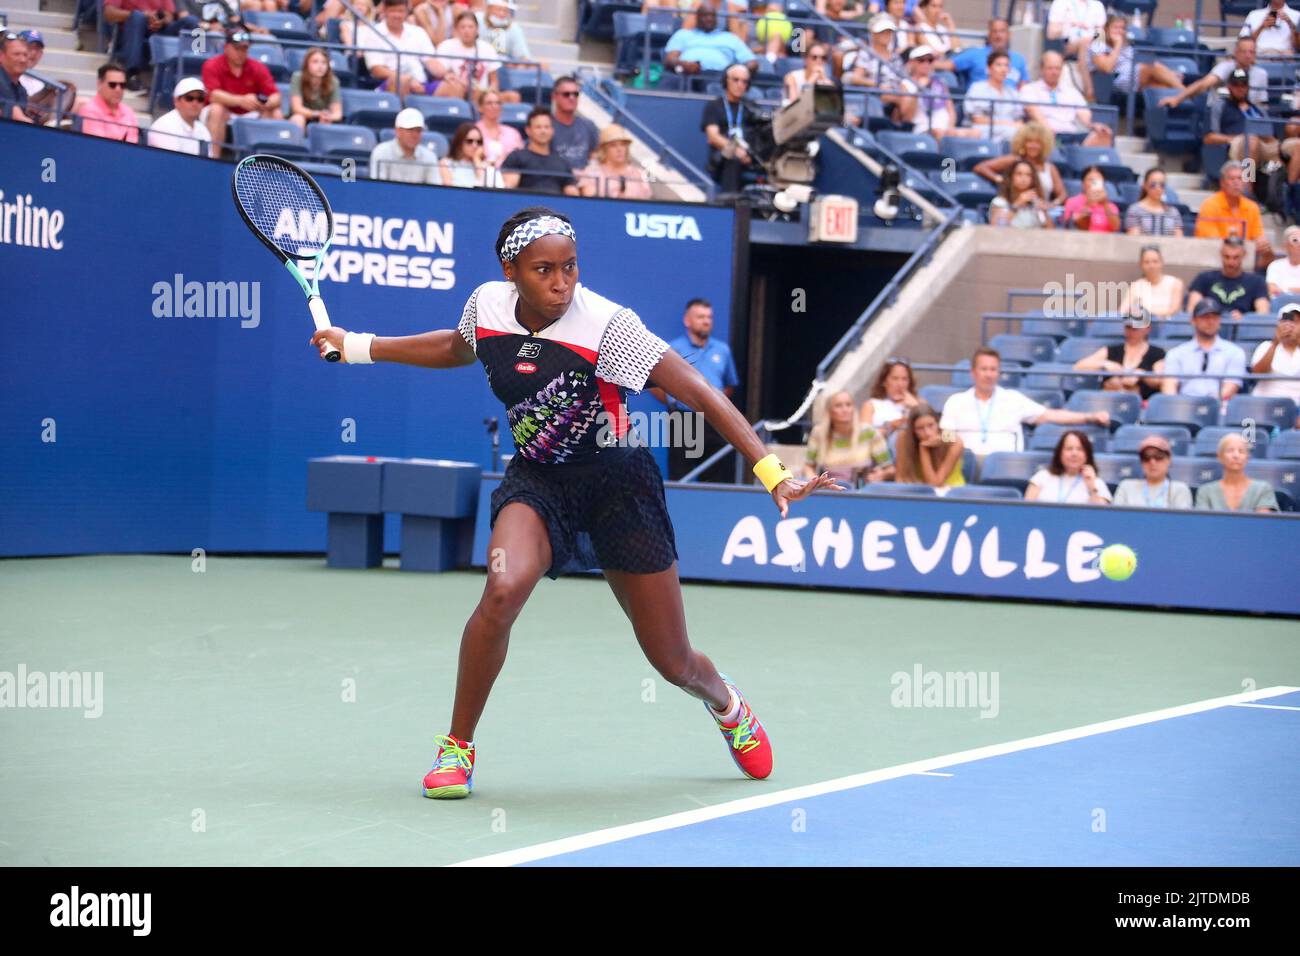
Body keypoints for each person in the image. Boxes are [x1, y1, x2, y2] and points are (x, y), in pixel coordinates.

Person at [308, 206, 842, 796]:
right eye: (544, 270)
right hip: (538, 480)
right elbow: (456, 349)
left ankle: (727, 704)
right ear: (510, 269)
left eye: (570, 267)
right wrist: (359, 346)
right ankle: (457, 747)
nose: (562, 283)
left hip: (619, 487)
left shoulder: (609, 326)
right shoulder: (485, 304)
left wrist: (772, 471)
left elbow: (700, 391)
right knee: (504, 587)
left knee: (672, 661)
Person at [939, 347, 1111, 456]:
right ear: (973, 372)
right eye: (984, 369)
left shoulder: (1012, 399)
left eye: (993, 369)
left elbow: (1050, 415)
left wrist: (1090, 417)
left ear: (999, 373)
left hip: (1005, 465)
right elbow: (946, 435)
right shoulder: (956, 402)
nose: (989, 374)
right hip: (963, 461)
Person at [648, 298, 741, 481]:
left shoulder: (722, 350)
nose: (706, 321)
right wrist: (674, 402)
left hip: (715, 420)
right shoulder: (672, 349)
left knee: (718, 474)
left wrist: (714, 403)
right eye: (700, 317)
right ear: (687, 321)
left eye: (709, 317)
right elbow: (654, 384)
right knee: (681, 474)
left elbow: (730, 384)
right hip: (683, 420)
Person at [1203, 68, 1300, 197]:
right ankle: (1248, 190)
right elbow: (1209, 137)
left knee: (1297, 145)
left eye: (1243, 85)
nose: (1240, 88)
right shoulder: (1220, 106)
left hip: (1264, 143)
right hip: (1238, 143)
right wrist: (1234, 137)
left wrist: (1271, 139)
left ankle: (1289, 192)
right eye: (1236, 85)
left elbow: (1270, 135)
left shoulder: (1257, 109)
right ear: (1229, 86)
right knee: (1251, 139)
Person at [201, 28, 280, 151]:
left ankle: (266, 162)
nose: (241, 53)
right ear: (226, 47)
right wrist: (241, 100)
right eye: (237, 48)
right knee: (217, 109)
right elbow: (212, 95)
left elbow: (276, 96)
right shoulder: (212, 64)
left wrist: (264, 104)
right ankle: (212, 158)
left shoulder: (257, 67)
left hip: (249, 113)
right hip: (224, 112)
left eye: (244, 49)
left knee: (276, 112)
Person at [1020, 50, 1113, 149]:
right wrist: (1048, 130)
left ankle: (1082, 160)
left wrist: (1093, 125)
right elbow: (1033, 112)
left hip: (1070, 135)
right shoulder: (1029, 89)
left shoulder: (1071, 92)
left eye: (1058, 68)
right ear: (1042, 69)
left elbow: (1084, 113)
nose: (1054, 72)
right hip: (1044, 135)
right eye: (1050, 68)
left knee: (1104, 135)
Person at [102, 0, 199, 92]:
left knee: (192, 21)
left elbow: (169, 15)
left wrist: (162, 21)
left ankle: (193, 72)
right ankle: (131, 73)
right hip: (131, 31)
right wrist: (142, 15)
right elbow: (109, 13)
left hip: (158, 30)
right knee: (137, 16)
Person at [1161, 299, 1248, 400]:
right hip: (1184, 409)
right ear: (1193, 321)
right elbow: (1169, 387)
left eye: (1215, 317)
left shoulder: (1235, 352)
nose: (1210, 321)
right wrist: (1178, 407)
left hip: (1220, 409)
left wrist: (1207, 405)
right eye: (1205, 317)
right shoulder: (1176, 353)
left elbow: (1231, 387)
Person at [802, 390, 893, 485]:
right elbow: (809, 466)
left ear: (854, 408)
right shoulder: (819, 433)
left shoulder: (869, 432)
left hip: (861, 491)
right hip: (829, 490)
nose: (845, 409)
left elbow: (890, 469)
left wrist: (881, 475)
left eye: (848, 405)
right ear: (830, 411)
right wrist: (813, 481)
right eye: (838, 406)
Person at [1195, 162, 1272, 267]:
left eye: (1240, 178)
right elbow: (1213, 243)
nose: (1236, 183)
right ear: (1222, 182)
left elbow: (1258, 237)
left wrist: (1263, 245)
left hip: (1243, 261)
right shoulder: (1210, 205)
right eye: (1231, 179)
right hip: (1214, 261)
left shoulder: (1252, 207)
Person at [1158, 37, 1268, 111]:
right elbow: (1203, 84)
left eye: (1251, 52)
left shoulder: (1261, 74)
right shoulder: (1225, 67)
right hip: (1221, 114)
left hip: (1247, 114)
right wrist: (1177, 99)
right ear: (1236, 53)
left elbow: (1261, 104)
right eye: (1244, 51)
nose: (1248, 55)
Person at [1073, 311, 1166, 398]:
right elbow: (1079, 366)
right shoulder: (1111, 350)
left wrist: (1141, 374)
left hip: (1141, 402)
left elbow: (1159, 381)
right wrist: (1105, 364)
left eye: (1135, 328)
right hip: (1110, 400)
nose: (1130, 332)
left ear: (1147, 329)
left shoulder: (1157, 353)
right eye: (1128, 327)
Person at [1090, 14, 1186, 99]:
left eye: (1122, 28)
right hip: (1115, 81)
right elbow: (1106, 68)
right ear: (1106, 28)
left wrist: (1168, 74)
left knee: (1162, 86)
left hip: (1135, 76)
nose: (1120, 31)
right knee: (1152, 67)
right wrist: (1117, 45)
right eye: (1115, 27)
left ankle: (1179, 104)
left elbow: (1137, 60)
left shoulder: (1125, 43)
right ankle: (1187, 92)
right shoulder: (1098, 40)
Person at [358, 0, 440, 96]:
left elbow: (430, 60)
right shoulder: (374, 33)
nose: (397, 15)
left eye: (401, 11)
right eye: (393, 11)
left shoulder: (418, 32)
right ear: (384, 11)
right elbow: (376, 70)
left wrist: (446, 74)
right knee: (402, 81)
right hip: (388, 83)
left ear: (406, 12)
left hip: (421, 83)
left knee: (454, 84)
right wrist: (407, 79)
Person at [974, 122, 1067, 206]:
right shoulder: (1013, 160)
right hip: (1015, 208)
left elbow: (1062, 194)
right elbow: (980, 167)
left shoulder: (1050, 167)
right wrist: (999, 179)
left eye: (1038, 142)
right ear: (1022, 142)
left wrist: (1052, 205)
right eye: (1029, 142)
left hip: (1040, 211)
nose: (1033, 146)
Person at [701, 63, 757, 195]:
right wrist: (736, 150)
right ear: (726, 81)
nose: (740, 85)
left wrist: (749, 153)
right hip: (723, 156)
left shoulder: (751, 107)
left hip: (749, 155)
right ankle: (729, 204)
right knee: (731, 158)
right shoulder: (714, 106)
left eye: (744, 81)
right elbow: (713, 137)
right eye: (736, 80)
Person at [1186, 236, 1270, 321]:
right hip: (1209, 325)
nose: (1231, 262)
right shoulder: (1204, 278)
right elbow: (1192, 311)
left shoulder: (1257, 282)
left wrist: (1244, 319)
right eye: (1227, 257)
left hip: (1242, 329)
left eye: (1236, 257)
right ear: (1221, 254)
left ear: (1244, 255)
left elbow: (1262, 314)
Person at [663, 4, 758, 78]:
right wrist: (683, 64)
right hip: (686, 75)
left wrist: (736, 72)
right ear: (697, 17)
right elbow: (670, 59)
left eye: (712, 16)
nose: (709, 19)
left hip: (721, 79)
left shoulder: (730, 38)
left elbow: (752, 63)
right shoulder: (683, 34)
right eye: (705, 15)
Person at [500, 106, 580, 195]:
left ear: (552, 130)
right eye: (538, 127)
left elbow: (572, 193)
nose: (543, 131)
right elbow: (507, 188)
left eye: (547, 127)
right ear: (528, 130)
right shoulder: (516, 157)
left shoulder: (562, 163)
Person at [1195, 433, 1280, 511]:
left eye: (1241, 451)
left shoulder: (1262, 489)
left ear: (1247, 457)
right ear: (1220, 456)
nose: (1236, 456)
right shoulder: (1205, 491)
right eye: (1230, 451)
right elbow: (1204, 523)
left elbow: (1263, 524)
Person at [433, 10, 505, 100]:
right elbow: (440, 74)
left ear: (477, 29)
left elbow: (494, 81)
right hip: (458, 89)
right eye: (462, 27)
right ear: (456, 29)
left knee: (512, 96)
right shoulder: (447, 45)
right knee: (457, 87)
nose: (467, 31)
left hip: (482, 94)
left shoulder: (487, 48)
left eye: (470, 27)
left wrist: (491, 93)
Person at [1024, 430, 1111, 504]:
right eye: (1069, 449)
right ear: (1060, 453)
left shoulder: (1097, 483)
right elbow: (1026, 511)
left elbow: (1102, 518)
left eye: (1080, 449)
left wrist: (1092, 489)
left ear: (1087, 454)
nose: (1074, 454)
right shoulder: (1042, 477)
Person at [893, 402, 965, 488]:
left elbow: (934, 484)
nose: (927, 433)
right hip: (918, 490)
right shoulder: (904, 437)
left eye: (931, 425)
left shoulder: (947, 436)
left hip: (952, 491)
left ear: (937, 423)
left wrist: (924, 448)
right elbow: (900, 478)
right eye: (920, 428)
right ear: (912, 430)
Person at [1112, 435, 1193, 508]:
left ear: (1169, 460)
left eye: (1158, 457)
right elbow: (1116, 519)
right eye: (1146, 457)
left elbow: (1181, 522)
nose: (1152, 462)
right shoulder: (1126, 486)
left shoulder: (1180, 489)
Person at [17, 31, 78, 125]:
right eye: (29, 47)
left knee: (68, 89)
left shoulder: (40, 82)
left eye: (37, 49)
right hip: (15, 122)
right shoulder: (8, 75)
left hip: (35, 123)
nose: (33, 53)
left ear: (41, 54)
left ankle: (53, 123)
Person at [943, 19, 1026, 87]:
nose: (998, 35)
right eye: (994, 31)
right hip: (980, 103)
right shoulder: (975, 54)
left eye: (1002, 31)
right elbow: (947, 65)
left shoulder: (1019, 59)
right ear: (989, 34)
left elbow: (1024, 86)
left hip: (1010, 104)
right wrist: (932, 60)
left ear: (1009, 34)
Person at [578, 123, 653, 199]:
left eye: (623, 145)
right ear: (604, 149)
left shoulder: (640, 174)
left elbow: (647, 204)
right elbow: (590, 203)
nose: (619, 149)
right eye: (613, 145)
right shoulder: (592, 174)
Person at [369, 107, 441, 184]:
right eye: (410, 130)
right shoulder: (381, 152)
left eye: (418, 131)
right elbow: (378, 188)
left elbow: (434, 190)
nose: (414, 135)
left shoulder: (430, 157)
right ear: (398, 131)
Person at [963, 50, 1024, 141]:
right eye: (999, 65)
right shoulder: (977, 88)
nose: (1003, 69)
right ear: (988, 69)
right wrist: (1008, 124)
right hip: (983, 130)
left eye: (1006, 65)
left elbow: (1019, 120)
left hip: (1010, 132)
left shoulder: (1013, 93)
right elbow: (977, 119)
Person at [1250, 303, 1300, 408]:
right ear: (1278, 325)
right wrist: (1275, 343)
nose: (1290, 325)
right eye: (1285, 320)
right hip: (1265, 404)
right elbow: (1258, 374)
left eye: (1295, 322)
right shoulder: (1265, 346)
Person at [147, 76, 213, 155]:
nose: (195, 103)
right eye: (189, 98)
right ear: (176, 101)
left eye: (200, 99)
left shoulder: (203, 131)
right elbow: (172, 162)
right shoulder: (164, 126)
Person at [76, 62, 139, 143]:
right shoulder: (90, 110)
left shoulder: (128, 111)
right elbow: (99, 146)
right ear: (99, 84)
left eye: (122, 85)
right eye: (112, 85)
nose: (118, 89)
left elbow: (133, 145)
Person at [1118, 244, 1184, 319]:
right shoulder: (1136, 286)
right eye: (1147, 262)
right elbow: (1122, 311)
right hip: (1142, 327)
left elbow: (1174, 310)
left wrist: (1147, 315)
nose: (1151, 265)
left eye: (1155, 261)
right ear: (1140, 265)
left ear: (1162, 262)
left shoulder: (1175, 283)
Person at [549, 75, 599, 170]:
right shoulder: (545, 126)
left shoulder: (589, 126)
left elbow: (595, 154)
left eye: (575, 94)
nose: (572, 98)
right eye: (566, 94)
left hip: (585, 180)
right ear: (554, 97)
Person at [287, 46, 342, 131]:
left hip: (321, 118)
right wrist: (317, 114)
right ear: (307, 64)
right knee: (298, 119)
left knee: (327, 122)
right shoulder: (297, 77)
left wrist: (328, 117)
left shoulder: (333, 81)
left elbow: (338, 113)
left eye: (324, 63)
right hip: (303, 116)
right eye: (315, 62)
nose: (320, 66)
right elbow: (296, 108)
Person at [860, 358, 919, 435]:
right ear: (884, 382)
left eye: (904, 379)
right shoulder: (871, 405)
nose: (900, 384)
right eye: (895, 378)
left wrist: (916, 408)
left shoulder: (918, 403)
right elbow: (863, 437)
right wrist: (890, 426)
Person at [988, 158, 1051, 228]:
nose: (1024, 178)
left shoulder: (1035, 203)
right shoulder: (999, 202)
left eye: (1028, 175)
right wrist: (1018, 204)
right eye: (1019, 174)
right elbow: (997, 226)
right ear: (1011, 177)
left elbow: (1051, 233)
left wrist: (1044, 213)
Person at [439, 120, 504, 187]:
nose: (475, 145)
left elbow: (484, 189)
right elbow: (449, 190)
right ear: (459, 142)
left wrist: (476, 159)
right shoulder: (446, 163)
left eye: (479, 142)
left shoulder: (487, 167)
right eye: (469, 141)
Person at [1124, 168, 1184, 237]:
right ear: (1145, 185)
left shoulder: (1173, 212)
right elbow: (1134, 239)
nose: (1158, 188)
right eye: (1153, 184)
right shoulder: (1135, 210)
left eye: (1162, 185)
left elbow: (1179, 240)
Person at [1062, 165, 1120, 232]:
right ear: (1083, 183)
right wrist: (1088, 204)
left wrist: (1105, 204)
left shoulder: (1110, 206)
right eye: (1091, 180)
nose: (1094, 183)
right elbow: (1069, 224)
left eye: (1098, 180)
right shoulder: (1072, 202)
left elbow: (1116, 228)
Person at [475, 89, 523, 167]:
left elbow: (520, 158)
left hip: (509, 175)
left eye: (497, 103)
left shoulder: (513, 133)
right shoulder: (472, 131)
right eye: (489, 103)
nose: (494, 106)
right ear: (480, 107)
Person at [782, 42, 832, 107]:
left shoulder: (827, 81)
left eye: (823, 58)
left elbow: (832, 105)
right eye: (814, 57)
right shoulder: (792, 77)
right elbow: (793, 104)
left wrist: (824, 80)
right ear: (806, 59)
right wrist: (811, 80)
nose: (819, 61)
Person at [0, 31, 31, 123]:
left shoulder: (22, 91)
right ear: (1, 56)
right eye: (16, 54)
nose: (23, 60)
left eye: (25, 55)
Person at [1267, 225, 1300, 296]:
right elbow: (1272, 290)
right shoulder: (1275, 265)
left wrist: (1284, 290)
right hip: (1282, 305)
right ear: (1286, 245)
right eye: (1295, 240)